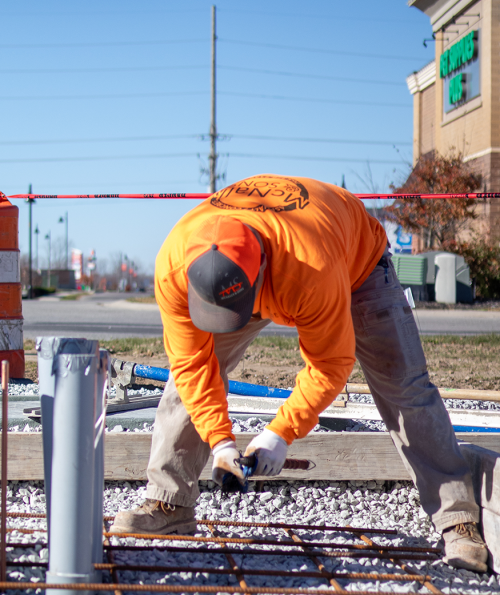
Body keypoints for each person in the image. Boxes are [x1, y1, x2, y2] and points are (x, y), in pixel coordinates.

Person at [110, 175, 488, 573]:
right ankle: (169, 501)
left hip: (357, 266)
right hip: (258, 273)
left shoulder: (309, 267)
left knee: (404, 386)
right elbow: (192, 367)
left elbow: (330, 365)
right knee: (183, 385)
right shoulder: (174, 265)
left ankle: (456, 519)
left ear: (261, 274)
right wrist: (221, 444)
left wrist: (279, 434)